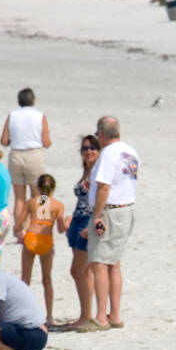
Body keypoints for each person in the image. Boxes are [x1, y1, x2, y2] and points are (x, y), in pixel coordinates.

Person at [87, 114, 139, 329]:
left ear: (101, 133)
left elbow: (104, 186)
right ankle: (115, 315)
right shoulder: (131, 151)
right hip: (126, 209)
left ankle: (101, 316)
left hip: (111, 210)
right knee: (114, 264)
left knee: (99, 263)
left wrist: (97, 215)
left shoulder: (109, 153)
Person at [17, 174, 67, 326]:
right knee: (47, 279)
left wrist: (21, 232)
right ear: (54, 187)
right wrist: (67, 222)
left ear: (38, 187)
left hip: (31, 237)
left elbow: (19, 223)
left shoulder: (31, 202)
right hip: (46, 240)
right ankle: (49, 316)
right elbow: (60, 229)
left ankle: (21, 313)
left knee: (25, 279)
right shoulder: (58, 205)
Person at [0, 87, 51, 234]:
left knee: (19, 198)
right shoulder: (40, 115)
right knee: (40, 194)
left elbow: (4, 140)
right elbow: (46, 142)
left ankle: (20, 231)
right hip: (34, 155)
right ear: (33, 100)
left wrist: (16, 140)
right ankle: (40, 227)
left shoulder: (12, 115)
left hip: (16, 155)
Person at [65, 134, 100, 330]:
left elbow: (103, 199)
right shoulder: (87, 170)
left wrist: (92, 223)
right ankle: (86, 315)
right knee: (82, 272)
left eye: (93, 148)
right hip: (76, 219)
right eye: (85, 148)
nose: (89, 151)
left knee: (78, 270)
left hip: (87, 221)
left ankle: (87, 316)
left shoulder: (98, 171)